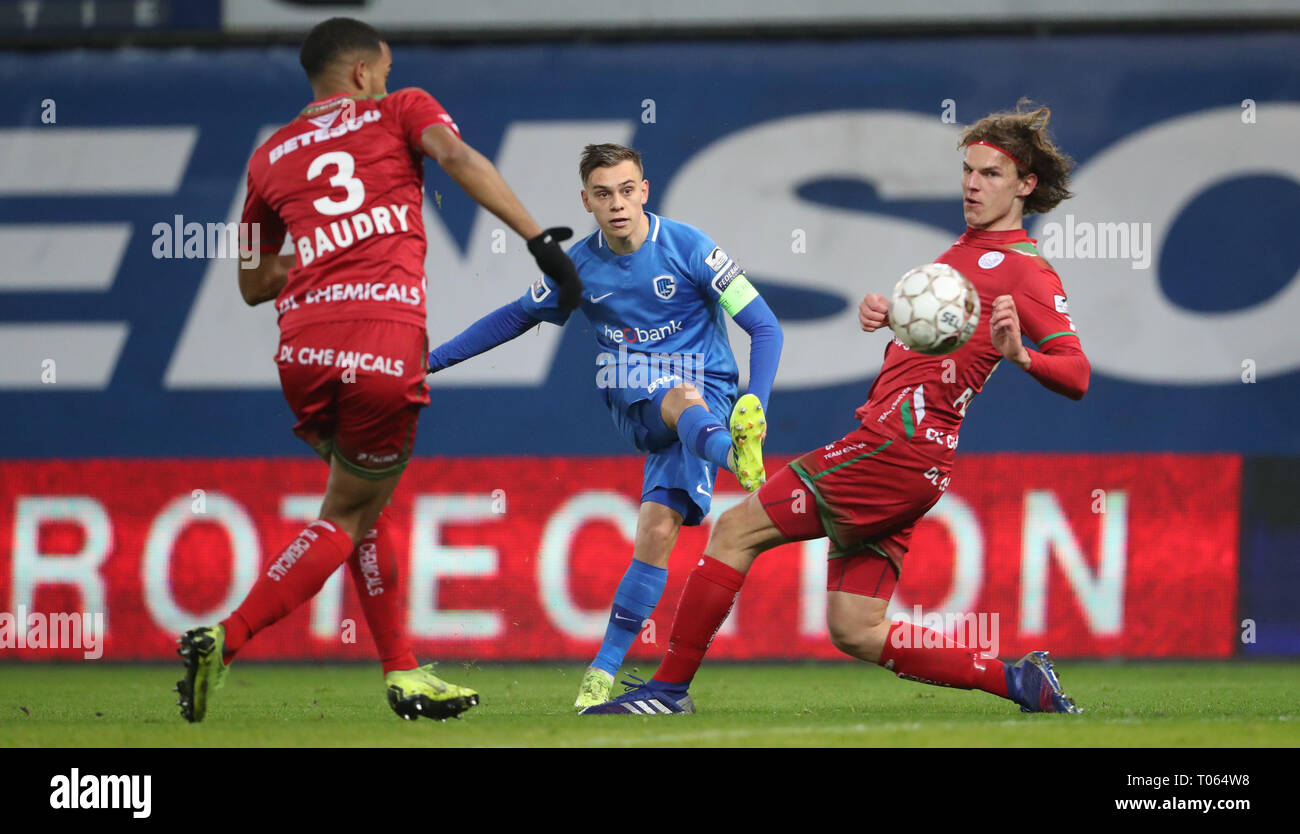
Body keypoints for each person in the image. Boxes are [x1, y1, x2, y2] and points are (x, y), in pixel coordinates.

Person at [582, 102, 1090, 715]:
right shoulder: (961, 252)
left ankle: (667, 691)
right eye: (969, 171)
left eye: (990, 175)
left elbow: (1077, 373)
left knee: (735, 528)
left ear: (1026, 185)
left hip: (894, 445)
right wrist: (893, 319)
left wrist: (1023, 357)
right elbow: (945, 342)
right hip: (914, 461)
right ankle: (1020, 683)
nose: (972, 185)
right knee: (857, 626)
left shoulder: (1026, 271)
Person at [174, 17, 582, 723]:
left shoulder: (269, 156)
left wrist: (322, 251)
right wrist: (537, 238)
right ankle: (226, 635)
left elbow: (251, 280)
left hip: (301, 348)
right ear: (364, 72)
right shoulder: (399, 109)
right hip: (383, 342)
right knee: (346, 512)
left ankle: (401, 670)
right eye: (384, 71)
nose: (387, 81)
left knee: (366, 499)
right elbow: (453, 155)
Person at [426, 143, 783, 710]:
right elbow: (516, 316)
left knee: (658, 529)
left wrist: (754, 405)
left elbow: (766, 328)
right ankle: (735, 456)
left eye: (626, 190)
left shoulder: (690, 247)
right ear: (586, 201)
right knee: (670, 393)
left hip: (709, 395)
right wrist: (431, 361)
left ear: (644, 191)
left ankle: (602, 672)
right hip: (629, 383)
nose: (616, 203)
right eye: (603, 194)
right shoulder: (579, 269)